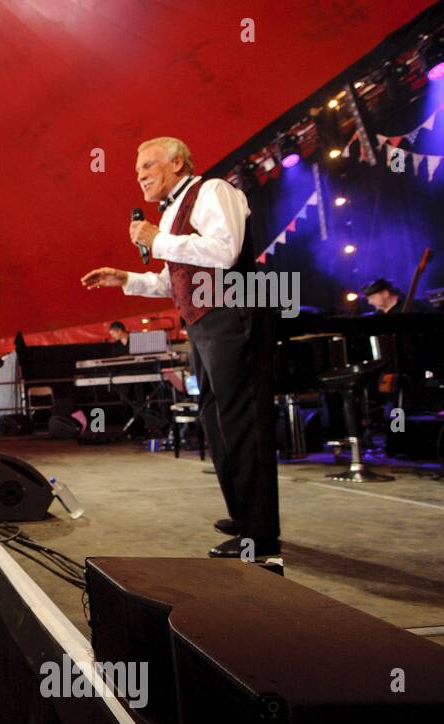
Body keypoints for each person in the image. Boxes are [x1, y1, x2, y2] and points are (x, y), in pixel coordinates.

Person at [81, 135, 280, 558]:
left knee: (242, 419)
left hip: (234, 312)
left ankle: (260, 534)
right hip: (204, 322)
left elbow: (224, 252)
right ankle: (244, 513)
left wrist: (157, 240)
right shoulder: (171, 215)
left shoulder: (212, 191)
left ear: (175, 162)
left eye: (147, 168)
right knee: (216, 419)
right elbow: (178, 280)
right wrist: (128, 279)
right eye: (137, 173)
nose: (141, 178)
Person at [361, 277, 434, 315]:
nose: (370, 302)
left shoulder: (416, 305)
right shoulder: (378, 315)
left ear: (385, 293)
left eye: (371, 298)